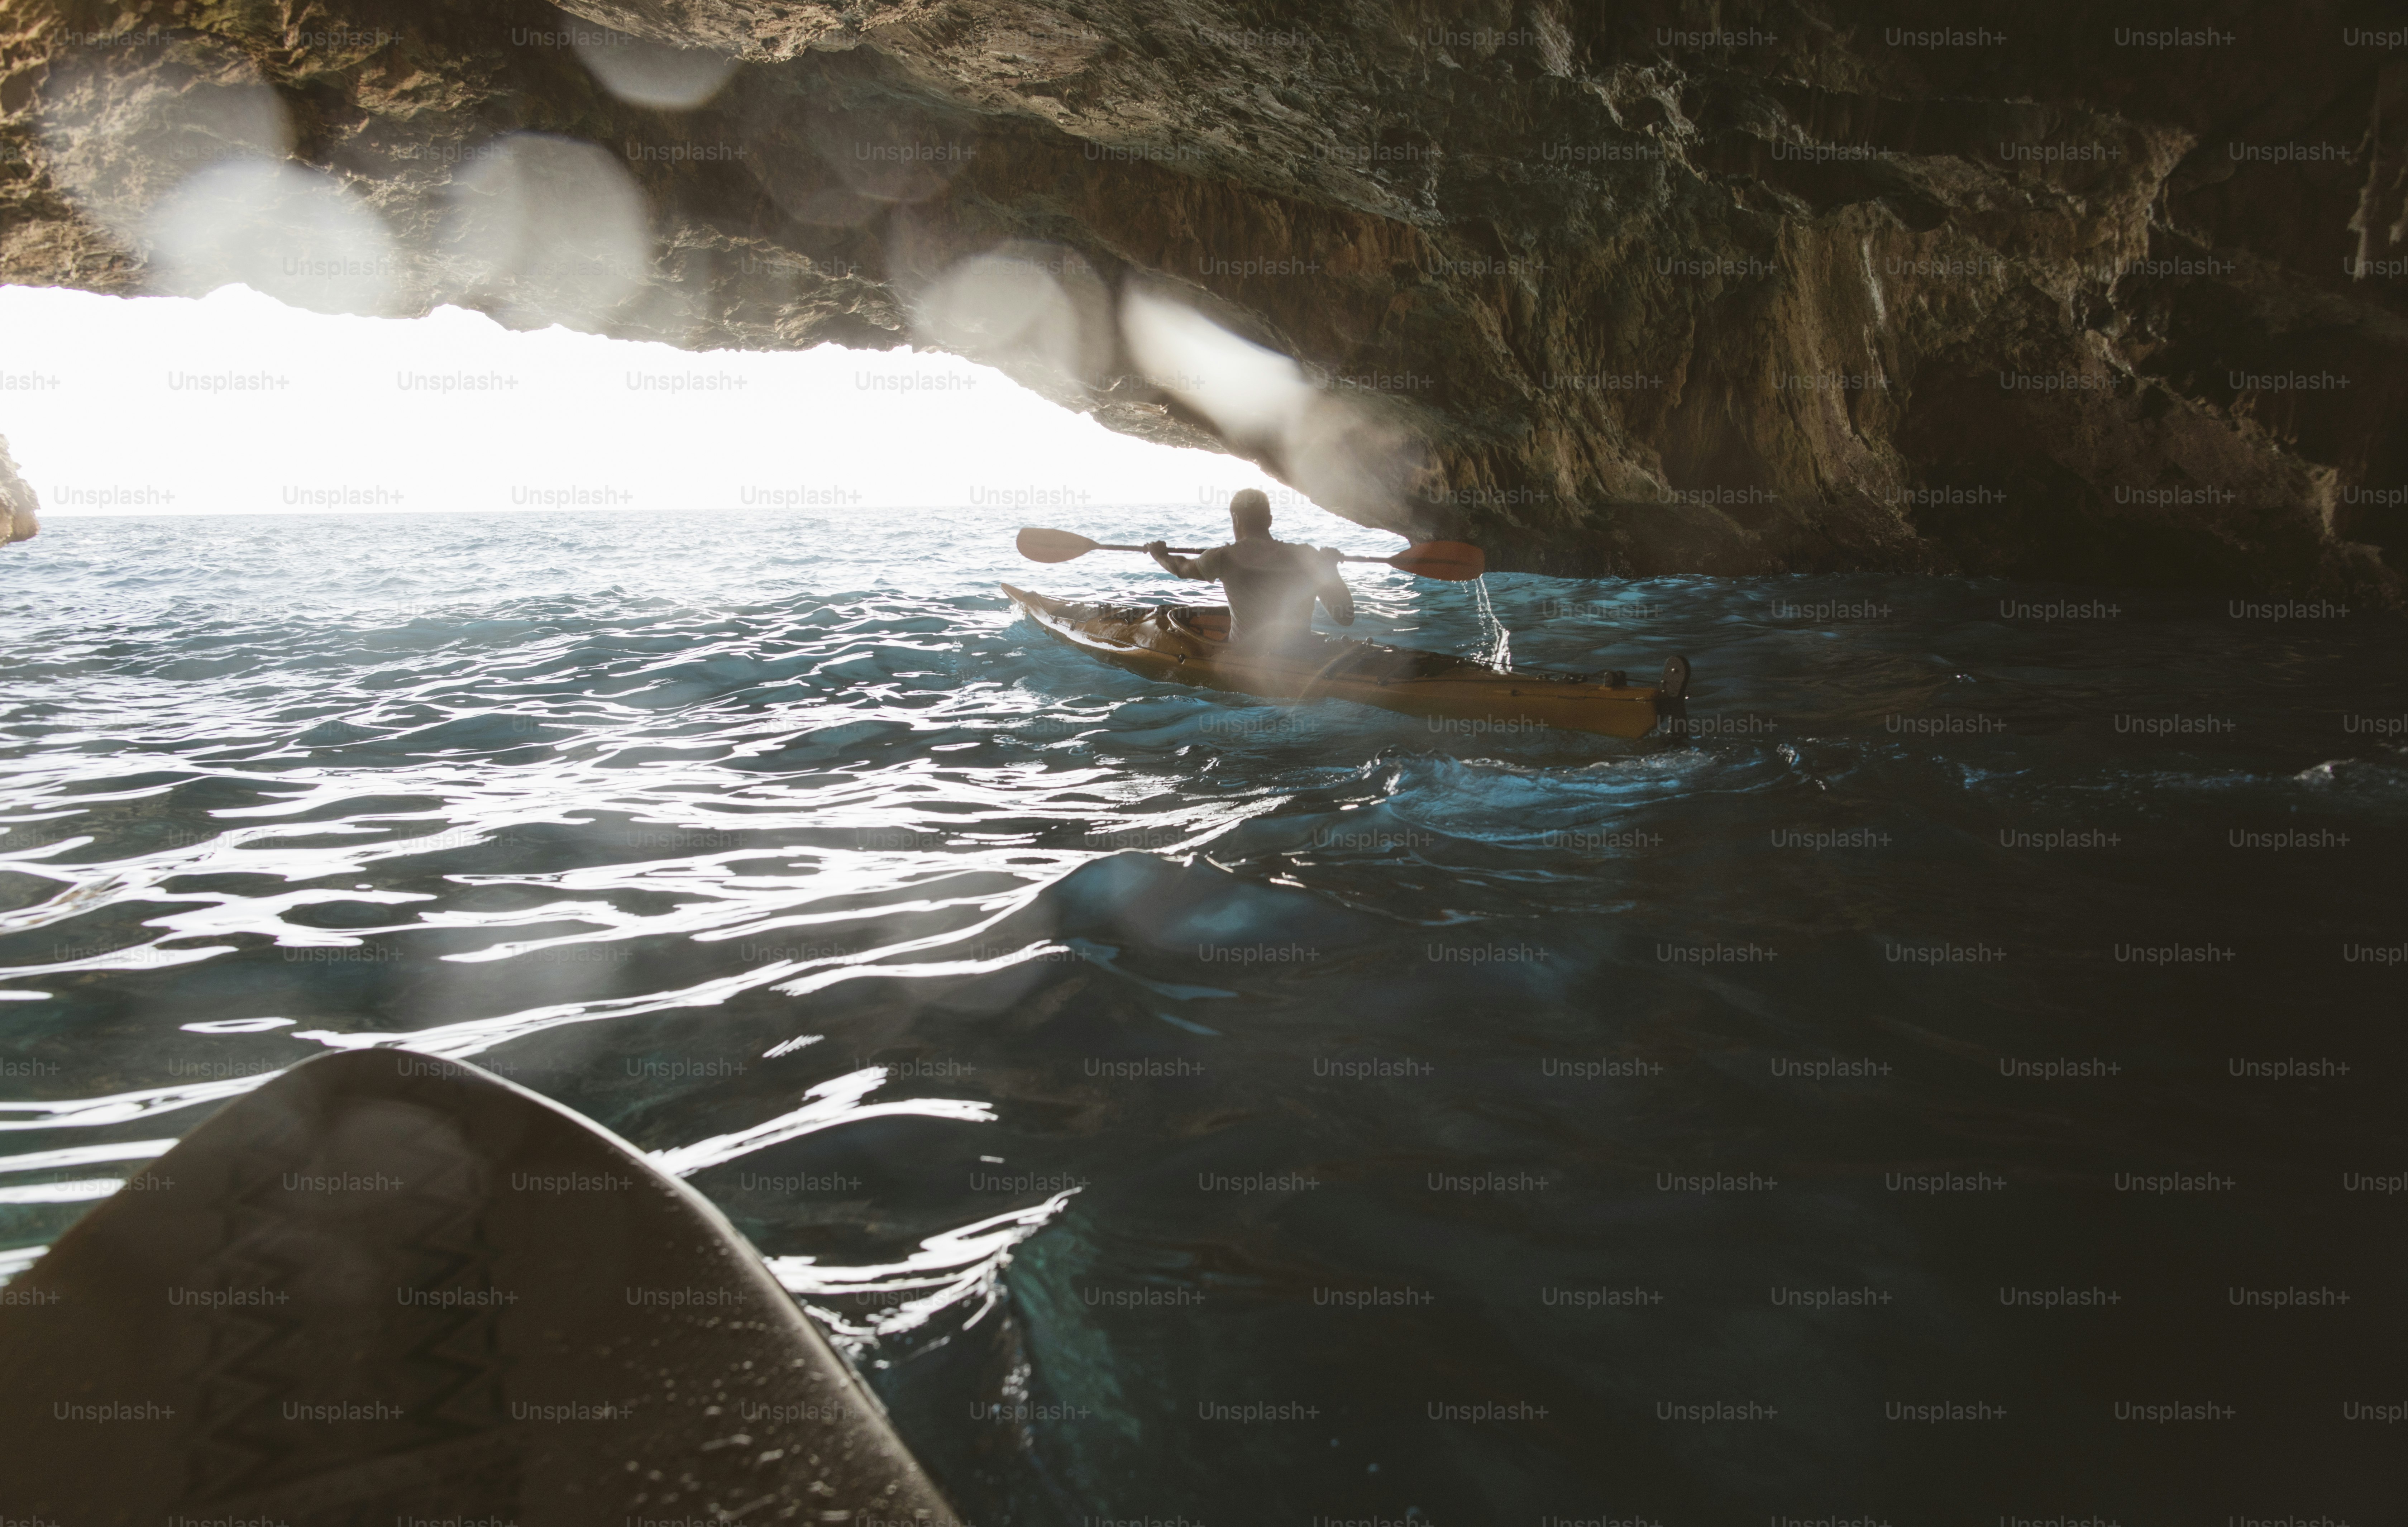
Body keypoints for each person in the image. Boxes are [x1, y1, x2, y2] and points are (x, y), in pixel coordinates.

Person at [1144, 490, 1354, 652]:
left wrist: (1159, 555)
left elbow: (1180, 568)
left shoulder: (1223, 557)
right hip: (1301, 656)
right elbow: (1346, 618)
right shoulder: (1307, 556)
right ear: (1270, 521)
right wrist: (1329, 569)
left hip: (1246, 659)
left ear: (1236, 519)